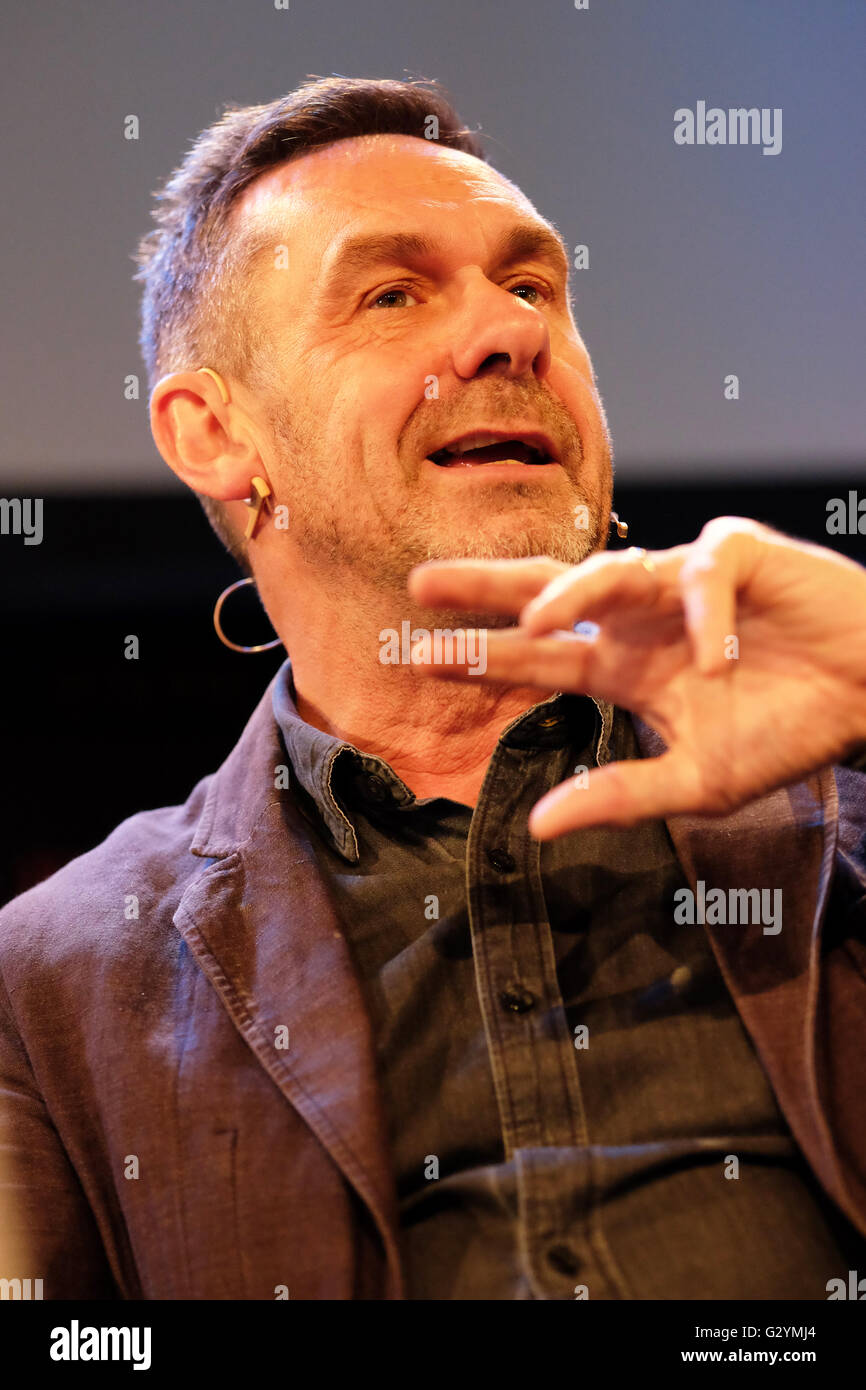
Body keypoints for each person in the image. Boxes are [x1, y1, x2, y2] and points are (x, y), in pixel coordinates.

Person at [1, 76, 865, 1301]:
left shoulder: (841, 772)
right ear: (213, 435)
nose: (508, 333)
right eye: (392, 294)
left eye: (530, 287)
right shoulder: (56, 978)